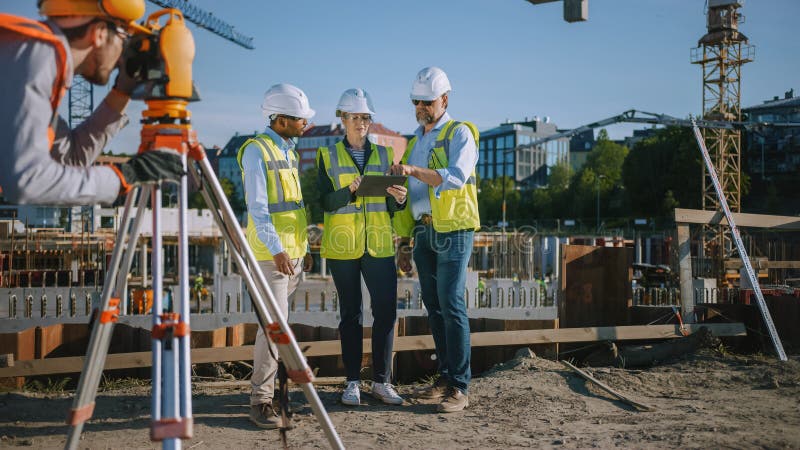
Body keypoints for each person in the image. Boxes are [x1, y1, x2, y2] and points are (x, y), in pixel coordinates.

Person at [0, 0, 184, 206]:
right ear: (100, 33)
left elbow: (70, 159)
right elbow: (28, 180)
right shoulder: (37, 54)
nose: (123, 53)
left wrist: (121, 92)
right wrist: (127, 175)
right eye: (123, 36)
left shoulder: (24, 58)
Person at [391, 67, 480, 413]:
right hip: (423, 231)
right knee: (434, 304)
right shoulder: (415, 142)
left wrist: (413, 171)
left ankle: (460, 385)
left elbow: (455, 178)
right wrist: (403, 240)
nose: (421, 107)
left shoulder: (461, 134)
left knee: (451, 303)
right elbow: (410, 195)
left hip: (454, 230)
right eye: (416, 101)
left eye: (427, 102)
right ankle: (444, 377)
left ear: (444, 99)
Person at [316, 88, 407, 406]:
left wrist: (400, 198)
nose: (361, 123)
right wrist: (348, 191)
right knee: (350, 315)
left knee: (386, 312)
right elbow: (323, 203)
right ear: (342, 119)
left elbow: (391, 205)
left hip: (379, 245)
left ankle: (381, 382)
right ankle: (352, 382)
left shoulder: (384, 155)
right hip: (343, 248)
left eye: (366, 117)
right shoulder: (326, 155)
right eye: (355, 117)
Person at [238, 83, 314, 429]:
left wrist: (302, 250)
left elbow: (292, 208)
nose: (305, 124)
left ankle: (271, 395)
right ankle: (261, 402)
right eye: (300, 119)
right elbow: (258, 210)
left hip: (291, 255)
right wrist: (278, 250)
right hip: (271, 257)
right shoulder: (256, 151)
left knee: (279, 329)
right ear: (281, 119)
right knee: (274, 330)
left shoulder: (287, 151)